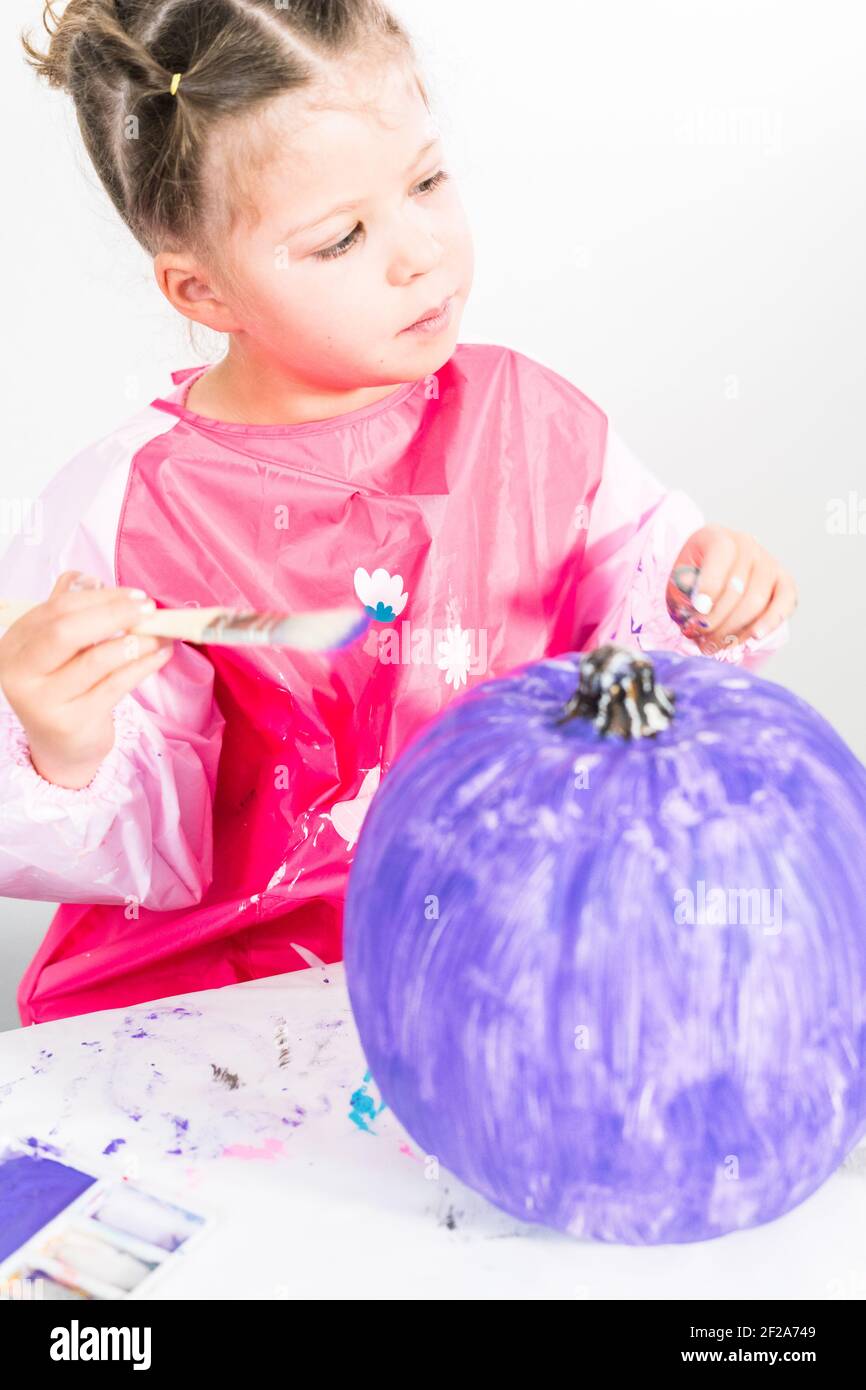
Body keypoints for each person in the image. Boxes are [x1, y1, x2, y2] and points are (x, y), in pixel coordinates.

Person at [1, 0, 796, 1025]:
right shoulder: (129, 511)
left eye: (425, 181)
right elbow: (132, 846)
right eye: (339, 239)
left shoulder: (533, 422)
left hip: (488, 970)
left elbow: (630, 670)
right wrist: (62, 742)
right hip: (227, 1001)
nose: (418, 251)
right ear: (202, 292)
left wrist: (704, 598)